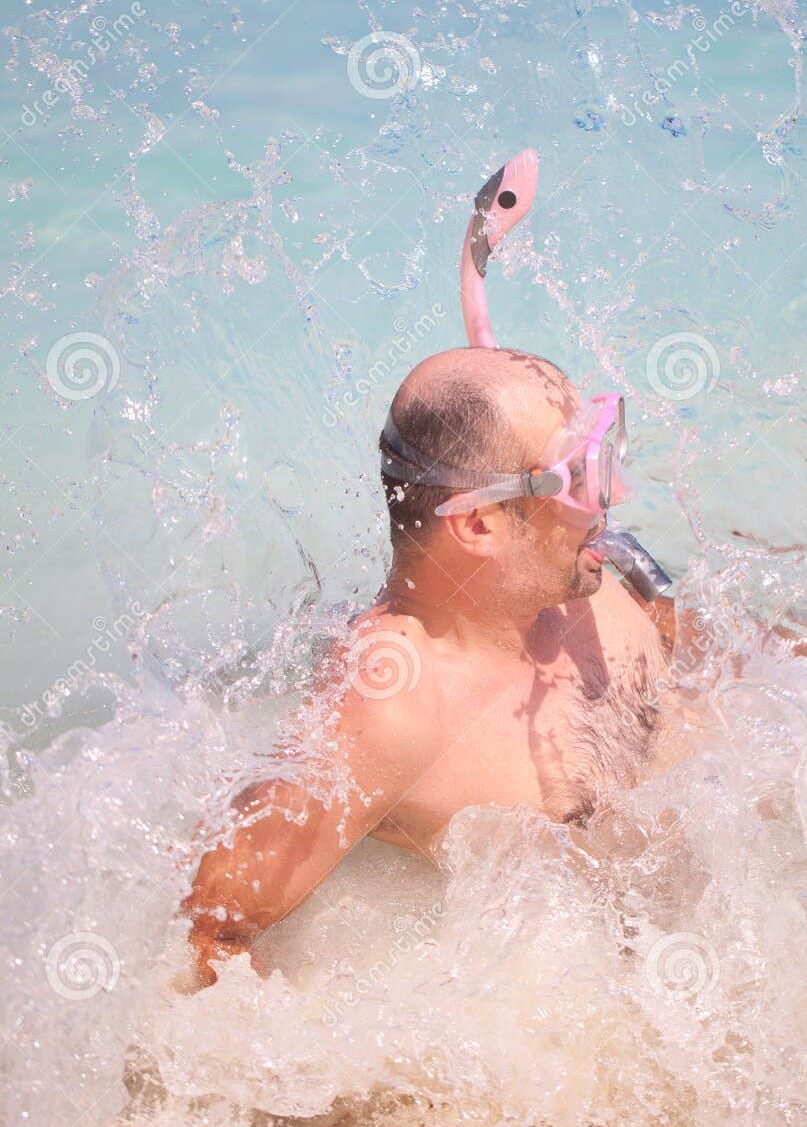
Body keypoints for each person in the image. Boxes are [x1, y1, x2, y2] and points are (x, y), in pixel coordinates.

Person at [182, 343, 678, 989]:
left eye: (603, 449)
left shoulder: (592, 576)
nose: (614, 491)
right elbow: (210, 927)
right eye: (581, 473)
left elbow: (702, 664)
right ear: (477, 525)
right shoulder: (391, 709)